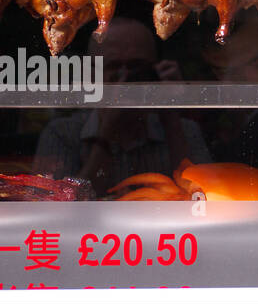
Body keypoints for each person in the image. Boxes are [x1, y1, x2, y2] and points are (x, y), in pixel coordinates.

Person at [33, 18, 210, 196]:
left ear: (154, 73)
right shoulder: (63, 134)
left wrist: (170, 116)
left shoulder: (185, 131)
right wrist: (106, 134)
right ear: (92, 76)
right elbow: (59, 209)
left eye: (137, 69)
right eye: (114, 69)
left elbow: (202, 197)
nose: (126, 81)